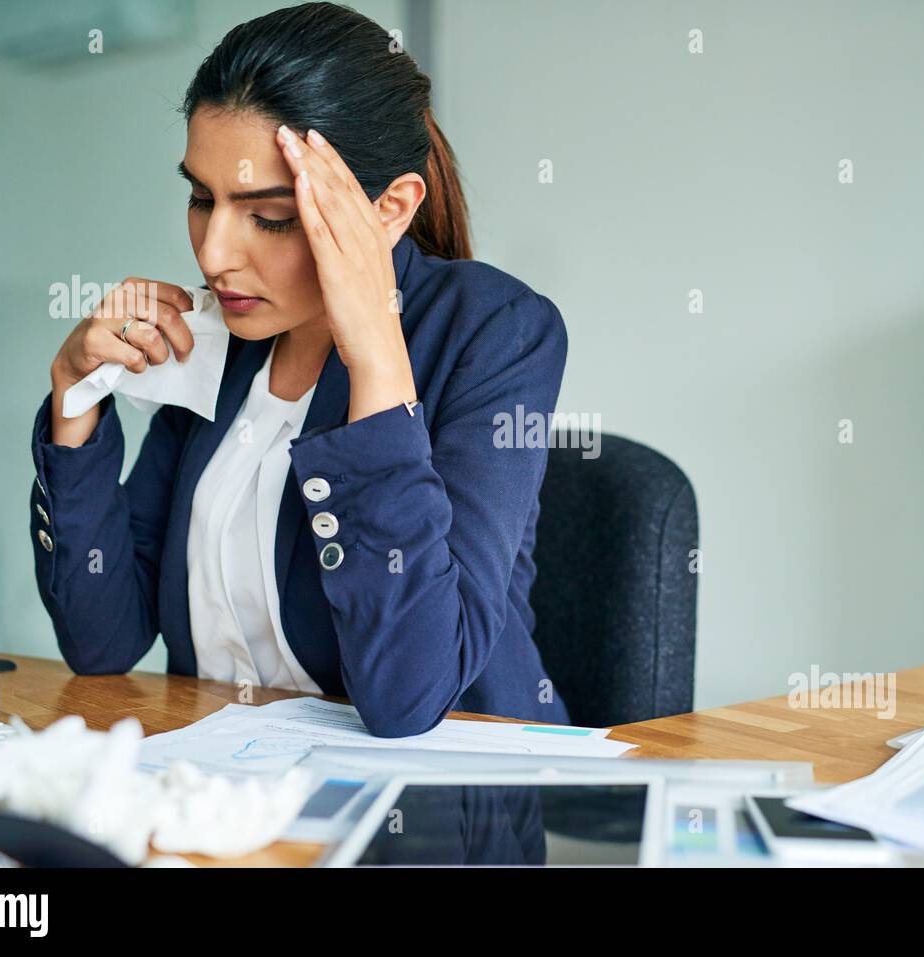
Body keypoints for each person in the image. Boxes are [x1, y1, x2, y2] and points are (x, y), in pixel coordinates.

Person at [29, 2, 571, 737]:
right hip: (232, 797)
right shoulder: (225, 339)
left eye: (271, 216)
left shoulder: (494, 330)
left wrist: (377, 359)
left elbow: (408, 696)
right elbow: (103, 639)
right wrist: (74, 398)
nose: (214, 253)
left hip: (438, 815)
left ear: (390, 207)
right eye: (201, 197)